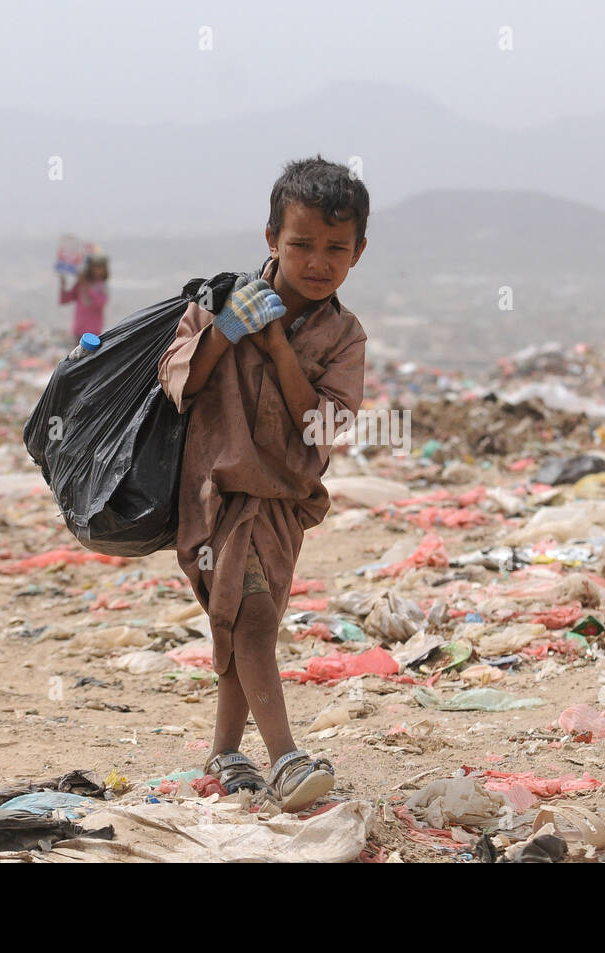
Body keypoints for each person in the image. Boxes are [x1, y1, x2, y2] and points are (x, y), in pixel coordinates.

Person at [158, 156, 368, 812]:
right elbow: (179, 383)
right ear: (272, 238)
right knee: (248, 615)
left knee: (247, 623)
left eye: (337, 248)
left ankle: (224, 752)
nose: (317, 261)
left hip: (284, 501)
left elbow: (325, 424)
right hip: (214, 495)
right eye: (302, 243)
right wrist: (227, 330)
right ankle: (285, 758)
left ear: (359, 252)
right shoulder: (218, 303)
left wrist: (278, 346)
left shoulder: (343, 335)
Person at [59, 254, 109, 339]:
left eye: (100, 268)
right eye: (96, 267)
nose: (98, 271)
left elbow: (100, 303)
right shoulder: (80, 285)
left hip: (94, 331)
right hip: (79, 329)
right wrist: (63, 285)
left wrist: (87, 287)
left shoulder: (102, 286)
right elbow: (64, 300)